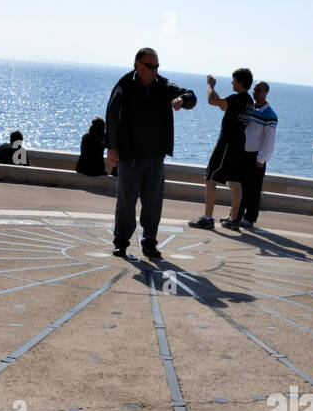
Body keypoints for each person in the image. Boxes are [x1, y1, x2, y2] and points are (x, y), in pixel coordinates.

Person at [105, 47, 197, 260]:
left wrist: (182, 100)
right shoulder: (124, 85)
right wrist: (111, 146)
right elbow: (111, 116)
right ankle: (121, 242)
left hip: (155, 155)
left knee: (153, 202)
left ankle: (149, 242)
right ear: (138, 65)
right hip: (129, 155)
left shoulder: (164, 86)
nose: (154, 69)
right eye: (150, 66)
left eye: (157, 65)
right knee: (126, 202)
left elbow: (191, 95)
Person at [190, 68, 254, 231]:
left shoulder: (238, 98)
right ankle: (233, 219)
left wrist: (210, 85)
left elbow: (213, 100)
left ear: (240, 83)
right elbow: (223, 107)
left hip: (227, 144)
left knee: (210, 178)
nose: (232, 83)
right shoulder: (249, 102)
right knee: (236, 181)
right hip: (239, 145)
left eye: (234, 80)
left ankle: (207, 218)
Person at [233, 82, 277, 230]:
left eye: (258, 90)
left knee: (253, 189)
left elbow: (269, 140)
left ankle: (249, 218)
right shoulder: (250, 108)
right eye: (254, 90)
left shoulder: (270, 115)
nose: (254, 92)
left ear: (266, 92)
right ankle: (235, 215)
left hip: (256, 157)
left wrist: (262, 158)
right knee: (240, 186)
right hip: (243, 153)